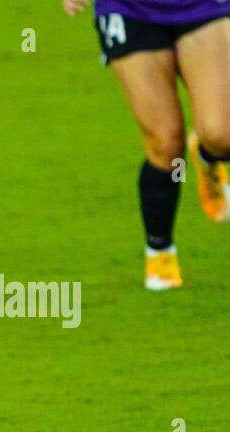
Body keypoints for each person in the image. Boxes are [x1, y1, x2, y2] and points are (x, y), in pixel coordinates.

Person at [64, 0, 230, 289]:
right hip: (128, 9)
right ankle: (160, 250)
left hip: (204, 6)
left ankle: (207, 155)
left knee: (221, 133)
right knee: (166, 142)